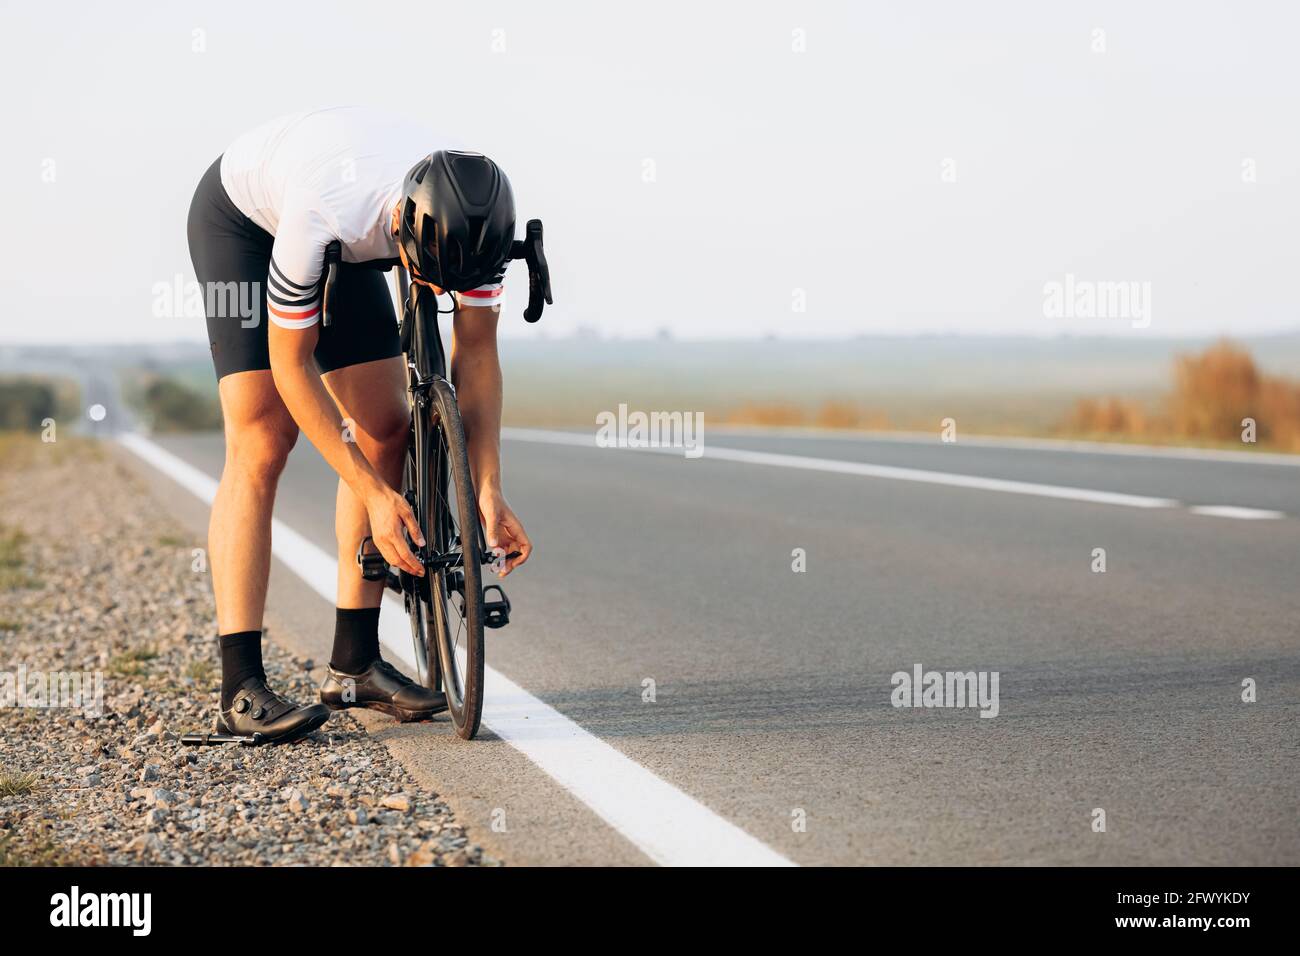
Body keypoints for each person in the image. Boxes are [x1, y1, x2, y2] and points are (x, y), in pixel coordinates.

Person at [186, 106, 532, 743]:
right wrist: (375, 495)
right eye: (421, 274)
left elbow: (477, 354)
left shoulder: (477, 228)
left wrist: (486, 485)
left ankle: (354, 666)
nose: (429, 288)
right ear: (403, 228)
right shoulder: (327, 211)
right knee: (263, 439)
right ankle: (238, 687)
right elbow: (290, 365)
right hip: (245, 218)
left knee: (384, 426)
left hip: (357, 222)